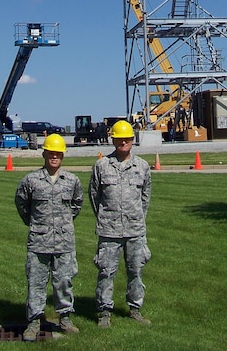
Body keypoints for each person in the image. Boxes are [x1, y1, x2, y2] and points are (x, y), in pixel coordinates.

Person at [14, 133, 83, 340]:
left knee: (64, 281)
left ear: (63, 156)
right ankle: (34, 321)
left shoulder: (72, 181)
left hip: (64, 241)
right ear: (44, 153)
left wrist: (64, 223)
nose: (54, 157)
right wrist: (34, 223)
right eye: (51, 153)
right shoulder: (31, 180)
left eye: (58, 153)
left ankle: (65, 318)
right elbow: (21, 203)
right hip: (39, 241)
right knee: (36, 282)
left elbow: (77, 204)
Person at [88, 119, 152, 328]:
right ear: (113, 140)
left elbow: (145, 198)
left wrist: (136, 218)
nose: (123, 142)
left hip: (135, 230)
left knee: (136, 271)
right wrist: (106, 217)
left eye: (126, 139)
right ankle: (104, 312)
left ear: (132, 140)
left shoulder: (142, 167)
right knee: (106, 271)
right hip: (109, 231)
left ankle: (135, 309)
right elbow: (94, 196)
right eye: (118, 139)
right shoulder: (102, 166)